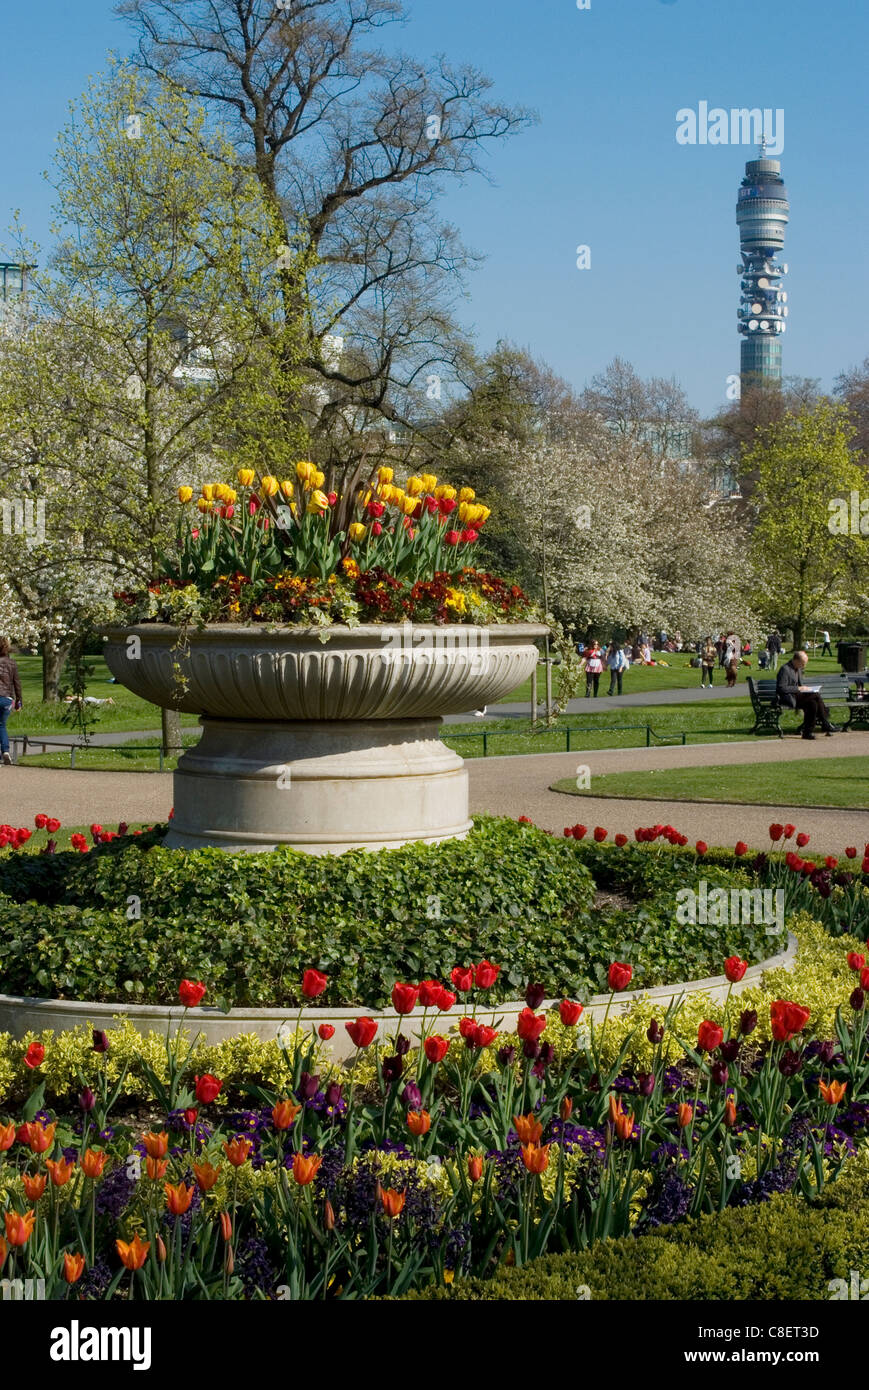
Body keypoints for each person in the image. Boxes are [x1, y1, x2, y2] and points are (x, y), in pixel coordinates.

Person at [776, 651, 835, 740]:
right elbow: (781, 688)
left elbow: (800, 684)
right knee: (816, 695)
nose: (804, 666)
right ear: (796, 660)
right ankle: (825, 722)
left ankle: (807, 732)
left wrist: (804, 689)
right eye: (803, 664)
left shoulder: (798, 669)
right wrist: (798, 688)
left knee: (813, 704)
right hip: (788, 698)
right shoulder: (785, 669)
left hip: (798, 697)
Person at [0, 637, 23, 766]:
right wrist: (19, 701)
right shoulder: (12, 663)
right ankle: (5, 751)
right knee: (1, 726)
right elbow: (17, 683)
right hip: (7, 699)